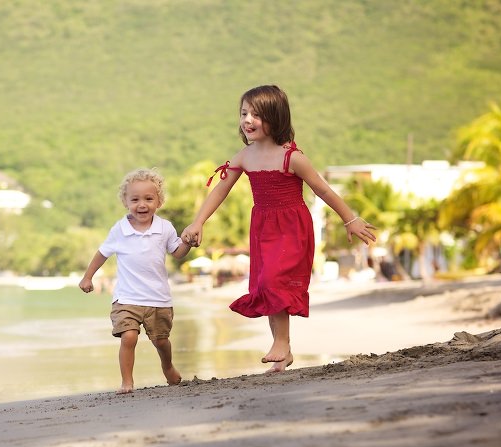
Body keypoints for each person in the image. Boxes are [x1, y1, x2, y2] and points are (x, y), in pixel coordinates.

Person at [181, 85, 376, 373]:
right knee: (266, 286)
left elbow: (323, 190)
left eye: (256, 115)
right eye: (244, 113)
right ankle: (283, 353)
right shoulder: (244, 156)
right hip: (262, 227)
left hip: (292, 227)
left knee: (274, 282)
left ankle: (281, 343)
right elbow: (220, 191)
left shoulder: (292, 157)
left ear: (276, 119)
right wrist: (198, 222)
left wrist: (350, 219)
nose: (247, 120)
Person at [80, 168, 192, 394]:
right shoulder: (119, 229)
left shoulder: (164, 228)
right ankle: (127, 382)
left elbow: (177, 252)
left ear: (159, 201)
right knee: (128, 337)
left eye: (149, 199)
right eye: (135, 199)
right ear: (125, 202)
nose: (142, 204)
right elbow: (102, 253)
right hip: (127, 298)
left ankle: (167, 366)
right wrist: (88, 276)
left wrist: (189, 242)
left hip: (158, 299)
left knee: (161, 340)